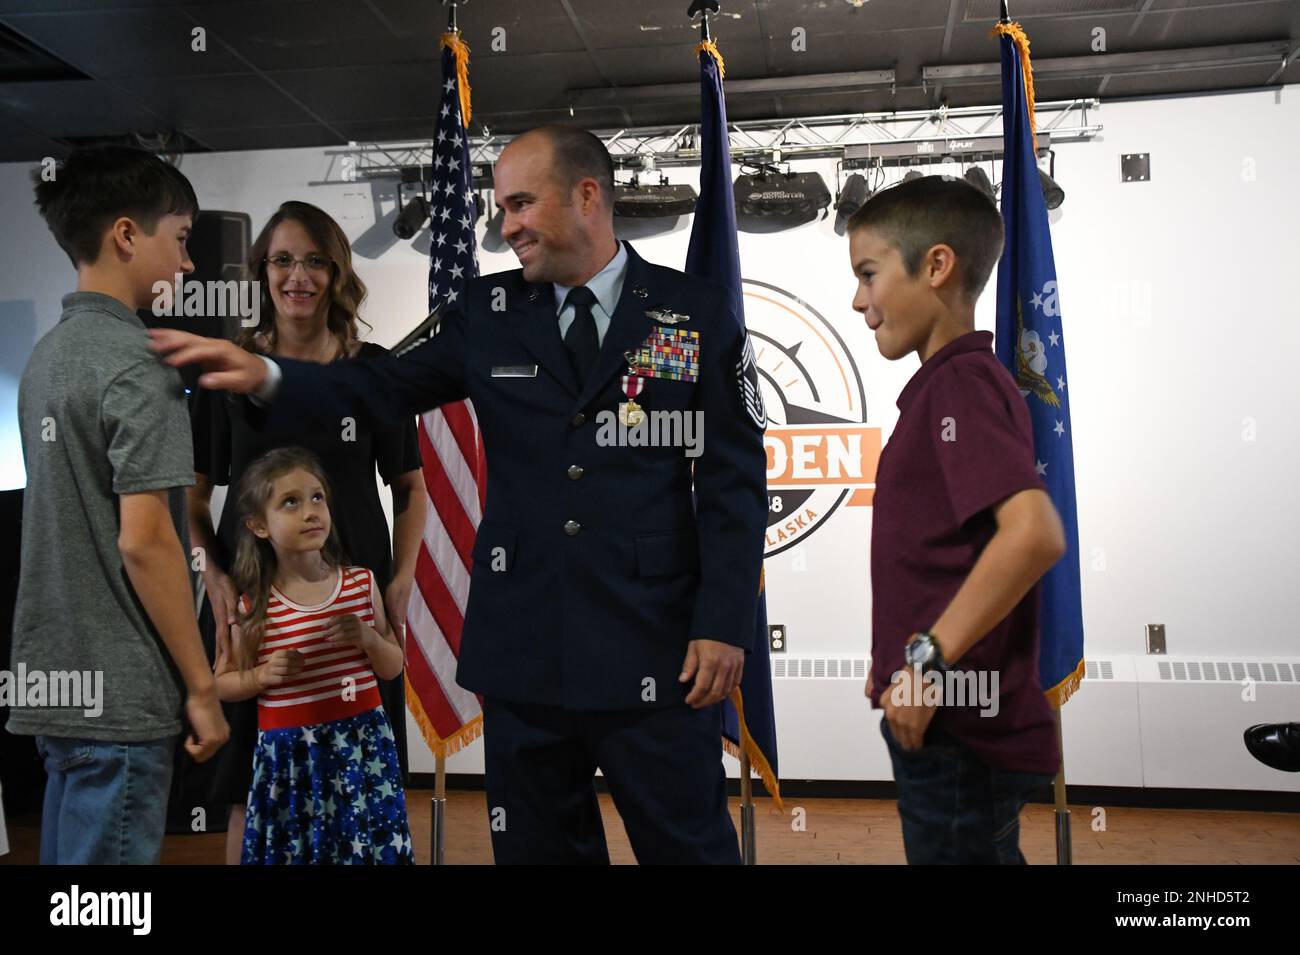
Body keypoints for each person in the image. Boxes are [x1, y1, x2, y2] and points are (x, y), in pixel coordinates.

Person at [150, 125, 768, 864]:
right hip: (525, 655)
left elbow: (734, 482)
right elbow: (378, 382)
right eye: (500, 207)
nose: (504, 227)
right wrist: (273, 377)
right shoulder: (486, 313)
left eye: (520, 205)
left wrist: (723, 622)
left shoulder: (691, 310)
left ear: (588, 196)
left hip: (659, 647)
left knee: (689, 849)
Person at [10, 145, 229, 864]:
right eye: (182, 238)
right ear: (128, 235)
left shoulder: (48, 356)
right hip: (123, 693)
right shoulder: (138, 363)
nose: (189, 264)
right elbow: (146, 542)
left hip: (59, 681)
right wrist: (200, 686)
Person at [187, 200, 423, 864]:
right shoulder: (228, 371)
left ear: (337, 272)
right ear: (263, 270)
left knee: (362, 779)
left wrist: (400, 581)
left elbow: (412, 487)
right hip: (254, 602)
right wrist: (212, 570)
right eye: (283, 260)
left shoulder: (373, 371)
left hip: (355, 606)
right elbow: (194, 495)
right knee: (247, 787)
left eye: (315, 260)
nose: (298, 275)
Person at [847, 175, 1066, 864]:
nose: (859, 300)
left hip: (961, 733)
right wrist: (896, 660)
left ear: (936, 265)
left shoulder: (960, 386)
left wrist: (923, 661)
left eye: (869, 274)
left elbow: (1033, 533)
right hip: (955, 720)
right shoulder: (950, 387)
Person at [216, 447, 412, 864]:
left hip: (361, 754)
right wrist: (262, 676)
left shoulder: (361, 583)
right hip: (291, 762)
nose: (310, 511)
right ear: (258, 525)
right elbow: (223, 682)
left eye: (317, 498)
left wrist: (370, 641)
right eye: (291, 502)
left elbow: (393, 667)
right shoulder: (254, 606)